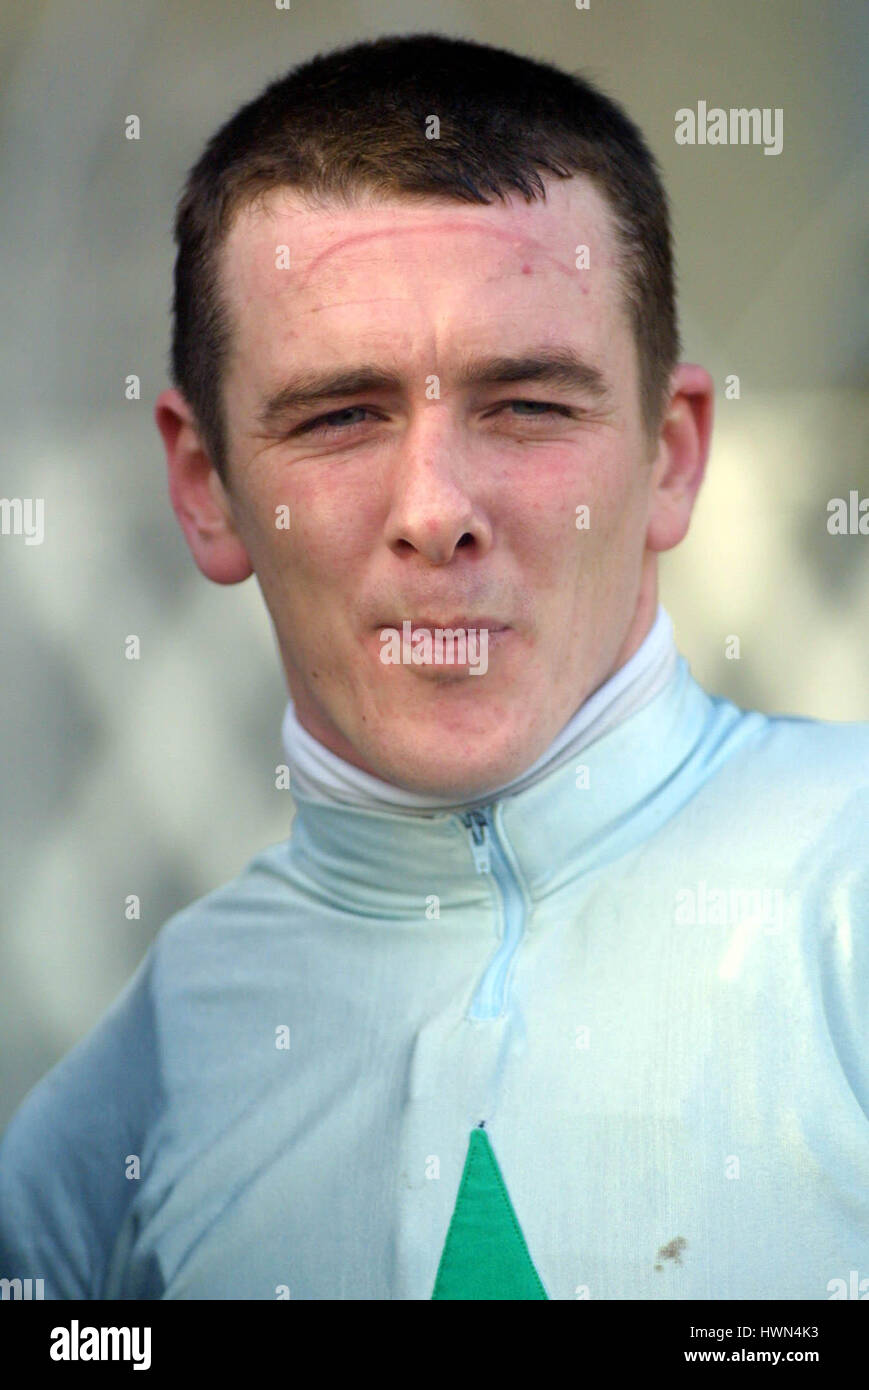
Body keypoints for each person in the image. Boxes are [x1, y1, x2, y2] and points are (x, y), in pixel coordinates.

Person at [0, 32, 866, 1302]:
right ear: (205, 489)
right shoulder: (126, 1103)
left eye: (525, 404)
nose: (434, 508)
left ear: (671, 454)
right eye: (339, 415)